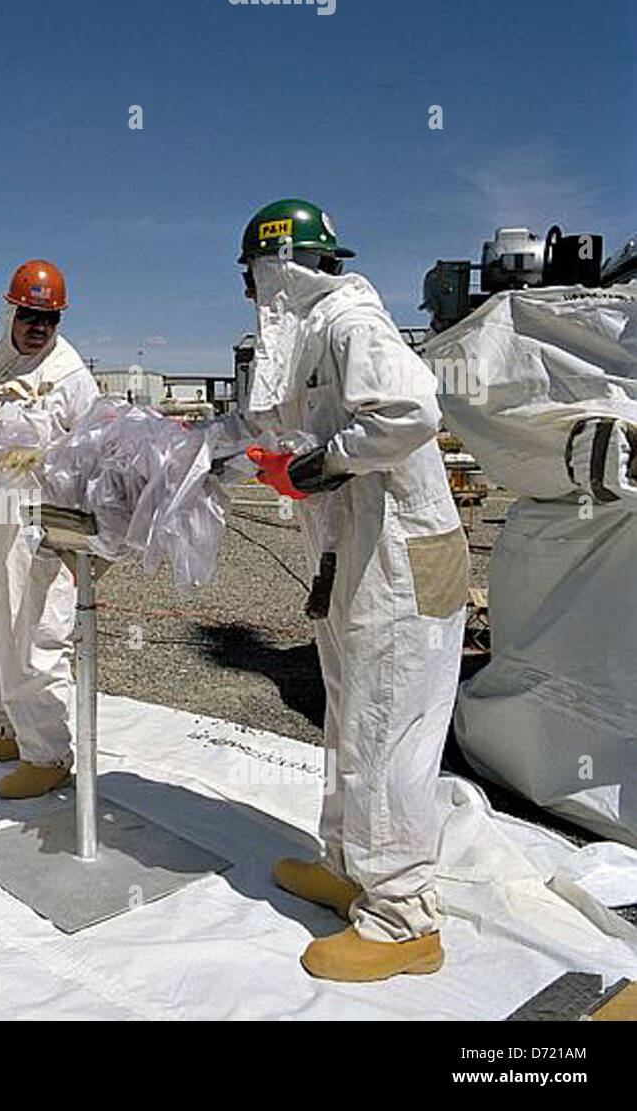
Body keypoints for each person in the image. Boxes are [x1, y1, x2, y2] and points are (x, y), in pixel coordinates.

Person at [230, 199, 468, 981]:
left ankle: (404, 917)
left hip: (399, 565)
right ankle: (348, 864)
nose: (251, 295)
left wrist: (315, 466)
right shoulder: (317, 335)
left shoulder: (349, 323)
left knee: (385, 724)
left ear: (278, 268)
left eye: (253, 278)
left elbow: (409, 411)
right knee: (349, 712)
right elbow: (277, 430)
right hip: (360, 561)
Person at [0, 260, 100, 799]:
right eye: (30, 315)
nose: (39, 327)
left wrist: (84, 543)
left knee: (31, 632)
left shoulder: (72, 379)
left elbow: (94, 457)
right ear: (12, 311)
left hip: (35, 525)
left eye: (50, 319)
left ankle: (48, 751)